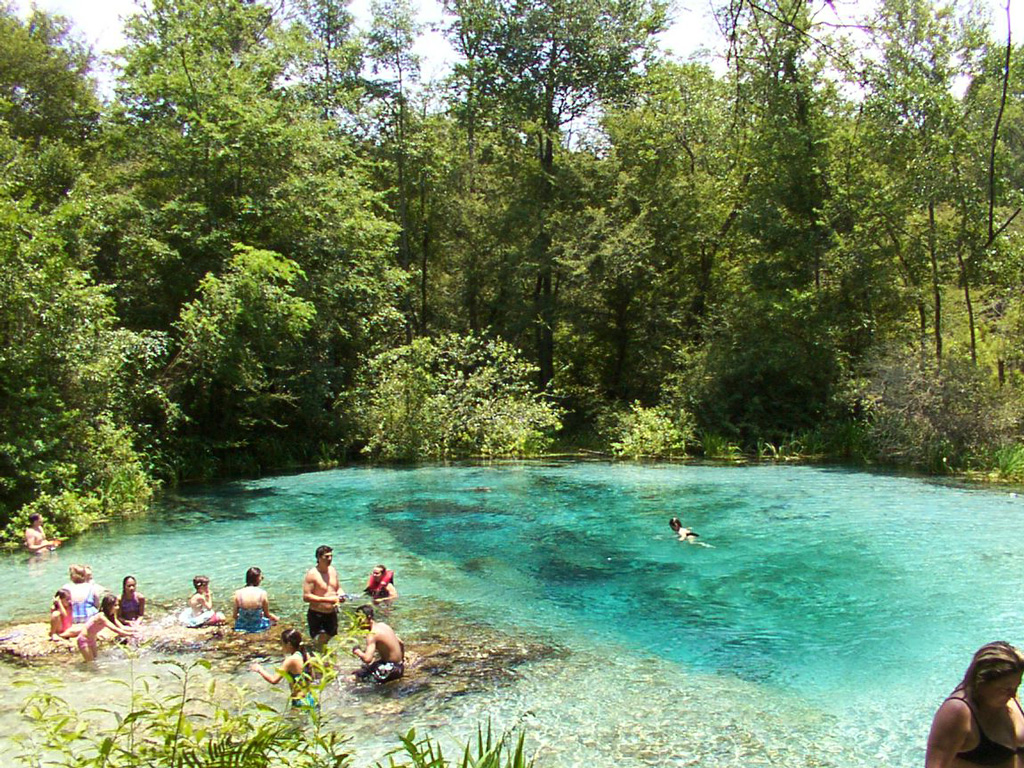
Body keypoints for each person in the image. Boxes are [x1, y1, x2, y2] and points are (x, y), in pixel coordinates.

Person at [926, 640, 1024, 767]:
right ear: (980, 681)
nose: (1013, 695)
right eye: (1005, 689)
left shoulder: (1007, 698)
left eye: (1017, 686)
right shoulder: (958, 712)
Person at [250, 628, 316, 709]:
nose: (281, 646)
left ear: (288, 644)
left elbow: (274, 680)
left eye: (282, 643)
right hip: (310, 699)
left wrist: (259, 669)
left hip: (299, 702)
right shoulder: (306, 655)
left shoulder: (290, 660)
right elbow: (312, 677)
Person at [303, 545, 344, 651]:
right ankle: (317, 662)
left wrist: (341, 595)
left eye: (331, 556)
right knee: (319, 641)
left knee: (331, 638)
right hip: (317, 614)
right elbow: (306, 597)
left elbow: (338, 588)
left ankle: (327, 661)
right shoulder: (312, 574)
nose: (330, 559)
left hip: (331, 613)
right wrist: (328, 600)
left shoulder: (333, 571)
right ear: (318, 558)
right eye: (326, 557)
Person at [351, 604, 404, 684]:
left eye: (359, 620)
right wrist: (401, 660)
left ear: (368, 618)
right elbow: (401, 643)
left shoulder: (372, 634)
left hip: (390, 670)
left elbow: (367, 659)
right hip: (400, 667)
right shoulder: (383, 625)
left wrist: (357, 651)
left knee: (352, 678)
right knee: (364, 669)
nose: (358, 623)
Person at [77, 594, 138, 662]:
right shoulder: (101, 616)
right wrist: (131, 634)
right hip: (84, 640)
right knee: (90, 663)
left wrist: (136, 630)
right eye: (115, 605)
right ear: (108, 606)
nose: (117, 607)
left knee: (94, 660)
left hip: (92, 639)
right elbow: (115, 629)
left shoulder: (111, 615)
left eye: (118, 605)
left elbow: (121, 627)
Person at [234, 567, 278, 633]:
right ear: (257, 579)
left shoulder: (238, 593)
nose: (262, 579)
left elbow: (234, 616)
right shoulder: (262, 593)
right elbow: (267, 615)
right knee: (274, 621)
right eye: (261, 577)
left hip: (241, 626)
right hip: (258, 627)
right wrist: (275, 618)